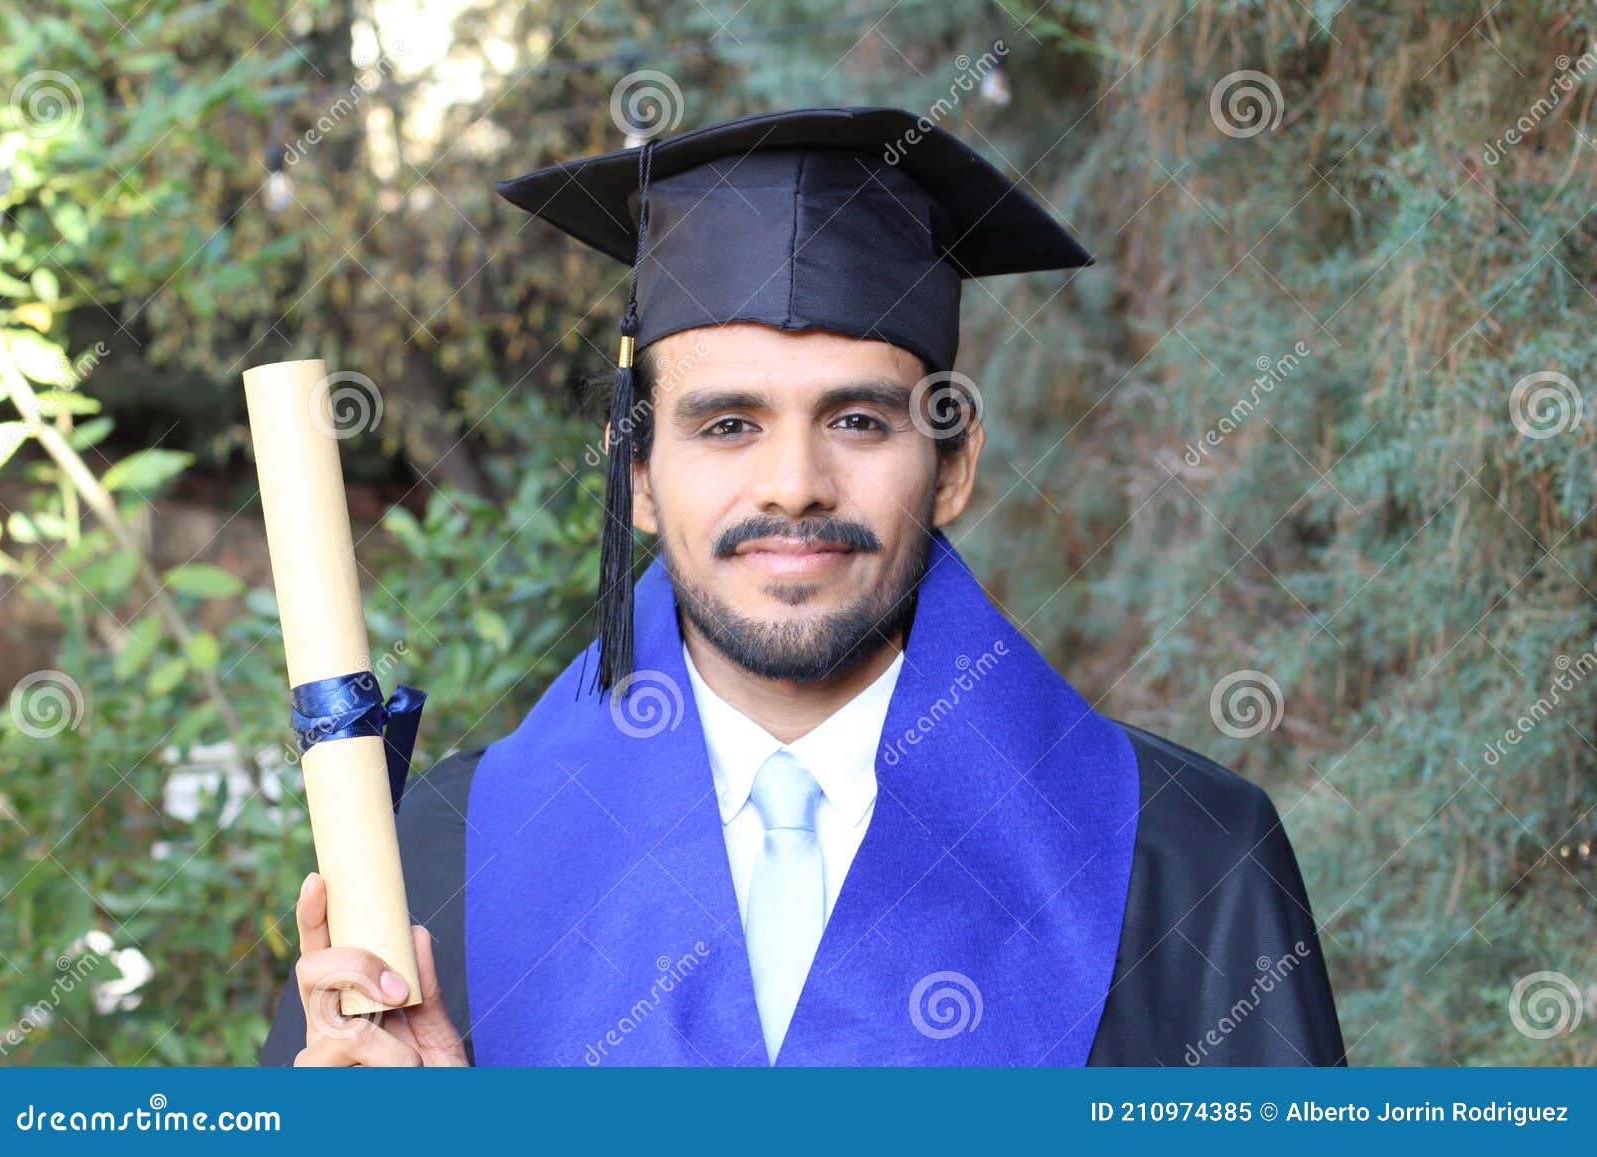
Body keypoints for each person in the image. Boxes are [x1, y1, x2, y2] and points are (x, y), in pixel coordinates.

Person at [260, 106, 1345, 1068]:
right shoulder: (433, 863)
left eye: (859, 420)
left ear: (953, 464)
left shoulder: (1182, 858)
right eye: (727, 424)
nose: (792, 486)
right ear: (636, 475)